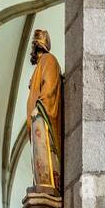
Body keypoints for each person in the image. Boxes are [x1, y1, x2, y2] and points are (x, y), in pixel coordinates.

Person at [26, 28, 62, 191]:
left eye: (35, 46)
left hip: (43, 115)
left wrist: (39, 107)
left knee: (46, 151)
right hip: (37, 118)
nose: (33, 51)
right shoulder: (41, 64)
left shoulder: (48, 60)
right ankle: (43, 184)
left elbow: (49, 85)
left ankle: (50, 185)